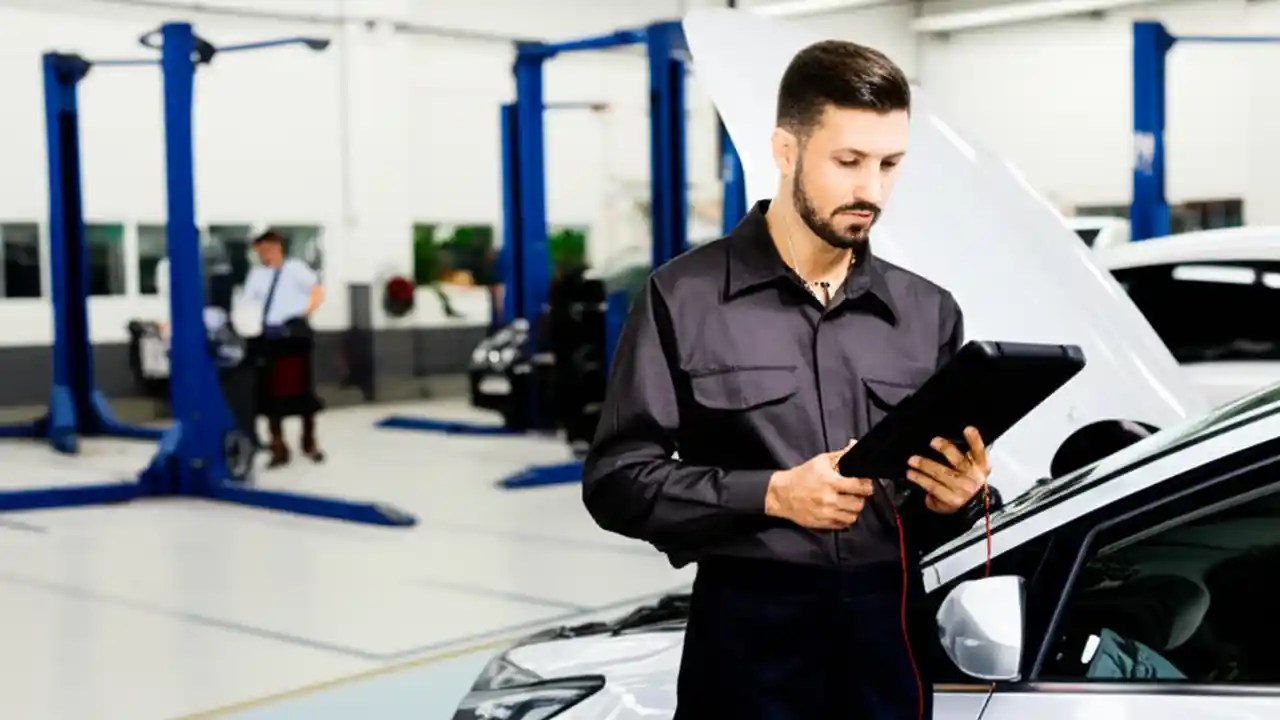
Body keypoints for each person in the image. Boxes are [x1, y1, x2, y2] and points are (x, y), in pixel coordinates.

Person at [581, 40, 1001, 719]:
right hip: (748, 660)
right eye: (848, 161)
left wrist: (959, 499)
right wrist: (772, 495)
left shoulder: (927, 314)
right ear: (784, 150)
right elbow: (617, 481)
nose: (872, 189)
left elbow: (928, 508)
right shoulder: (684, 298)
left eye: (889, 164)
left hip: (886, 658)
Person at [242, 230, 326, 467]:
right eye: (259, 250)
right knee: (270, 396)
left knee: (303, 394)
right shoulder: (256, 275)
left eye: (266, 248)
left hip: (294, 338)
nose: (262, 254)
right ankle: (278, 446)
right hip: (268, 338)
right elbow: (248, 303)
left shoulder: (296, 269)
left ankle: (309, 441)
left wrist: (303, 315)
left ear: (277, 247)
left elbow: (317, 292)